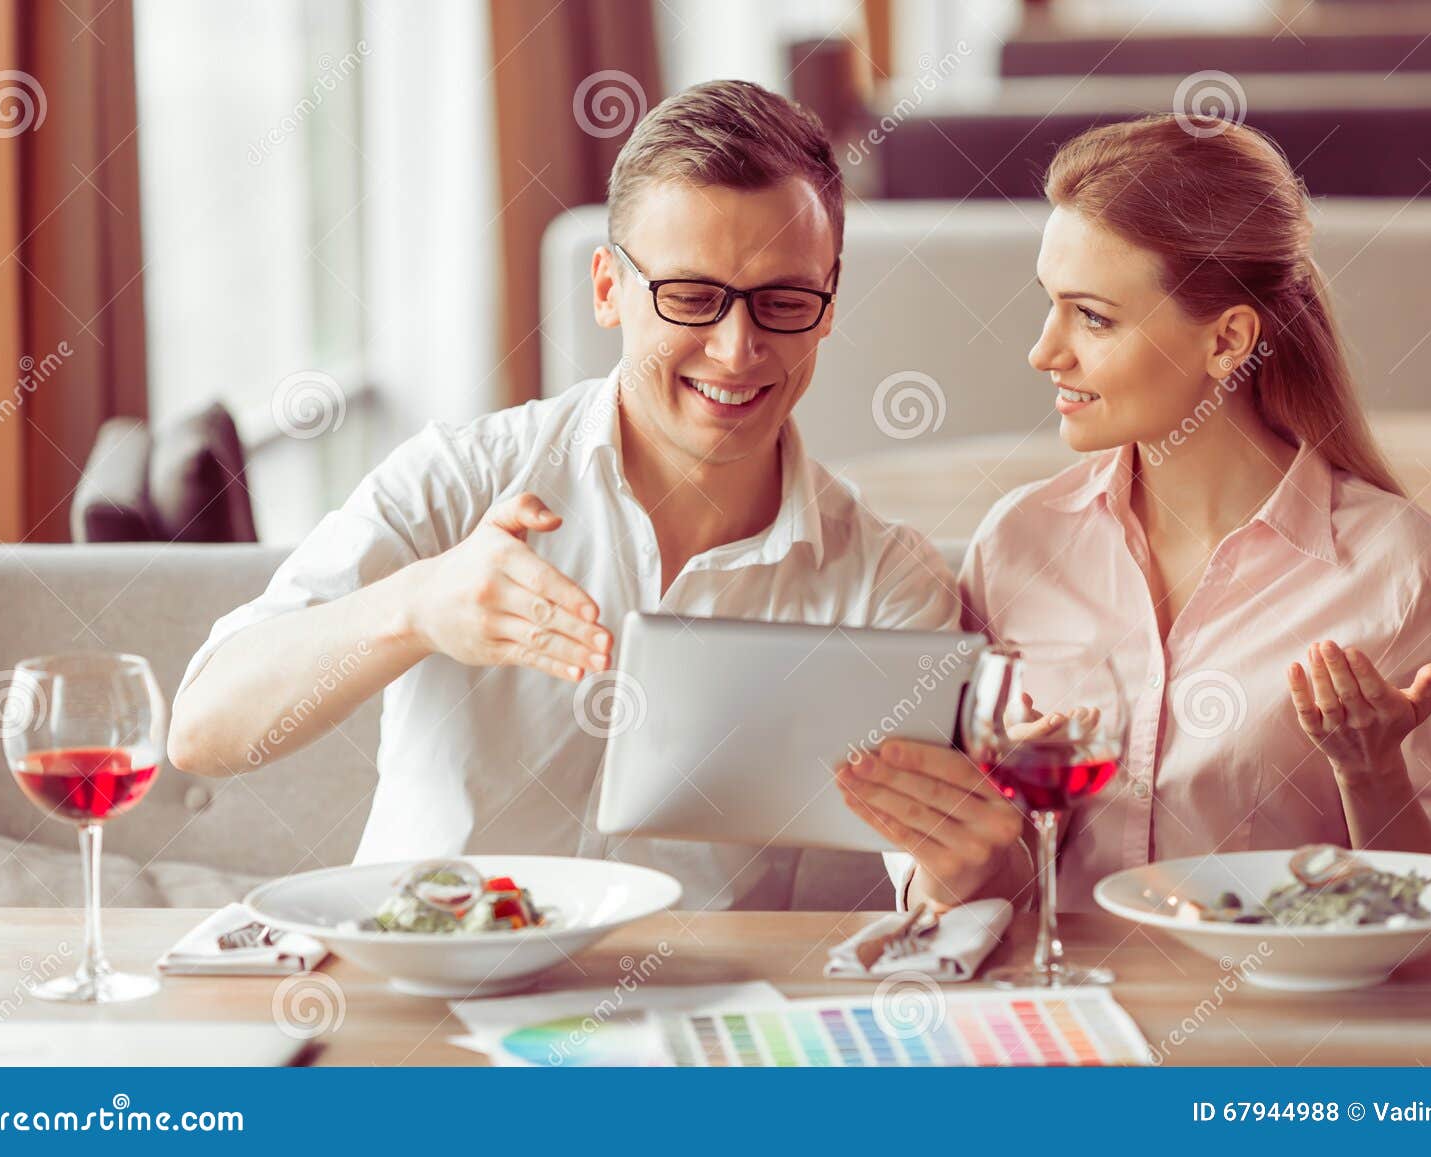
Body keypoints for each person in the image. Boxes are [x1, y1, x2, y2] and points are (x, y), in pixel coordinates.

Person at [167, 80, 958, 910]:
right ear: (609, 289)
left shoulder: (883, 581)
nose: (736, 350)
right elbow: (203, 728)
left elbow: (933, 895)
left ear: (828, 302)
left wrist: (969, 869)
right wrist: (417, 605)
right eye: (690, 296)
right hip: (423, 989)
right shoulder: (462, 478)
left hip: (686, 1013)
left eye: (784, 301)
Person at [833, 114, 1431, 913]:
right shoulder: (1017, 542)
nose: (1045, 351)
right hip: (1067, 1019)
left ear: (1227, 342)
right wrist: (989, 822)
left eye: (1093, 317)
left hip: (1275, 1030)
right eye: (1051, 305)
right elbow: (982, 902)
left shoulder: (1398, 564)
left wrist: (1372, 770)